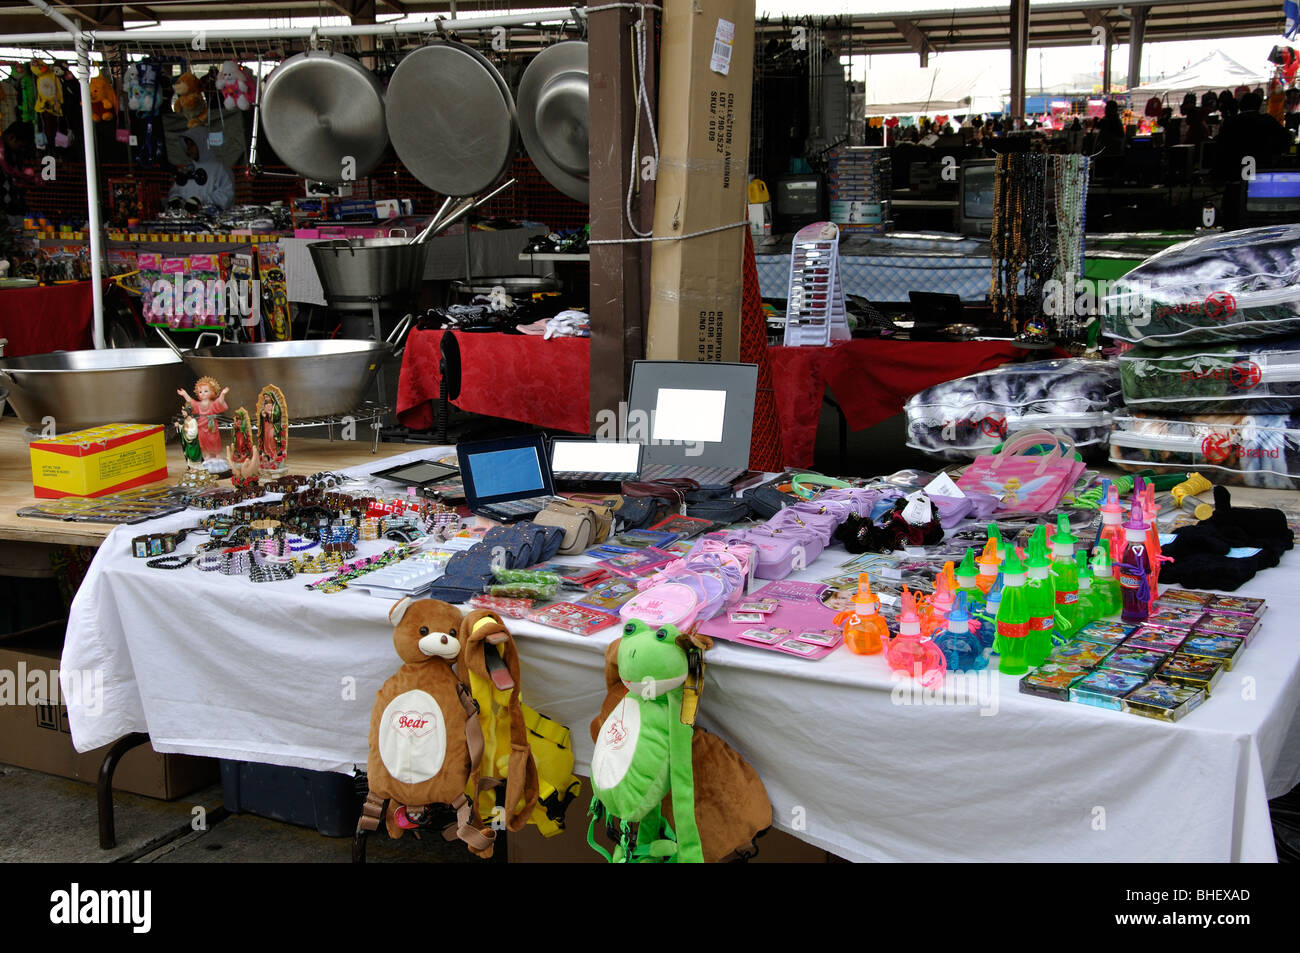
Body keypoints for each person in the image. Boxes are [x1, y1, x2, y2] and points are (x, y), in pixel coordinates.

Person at [167, 131, 235, 212]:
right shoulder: (188, 169)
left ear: (202, 144)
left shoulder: (220, 169)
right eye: (187, 145)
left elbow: (226, 196)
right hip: (186, 218)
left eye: (192, 145)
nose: (188, 148)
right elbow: (176, 190)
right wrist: (176, 198)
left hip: (212, 217)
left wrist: (202, 200)